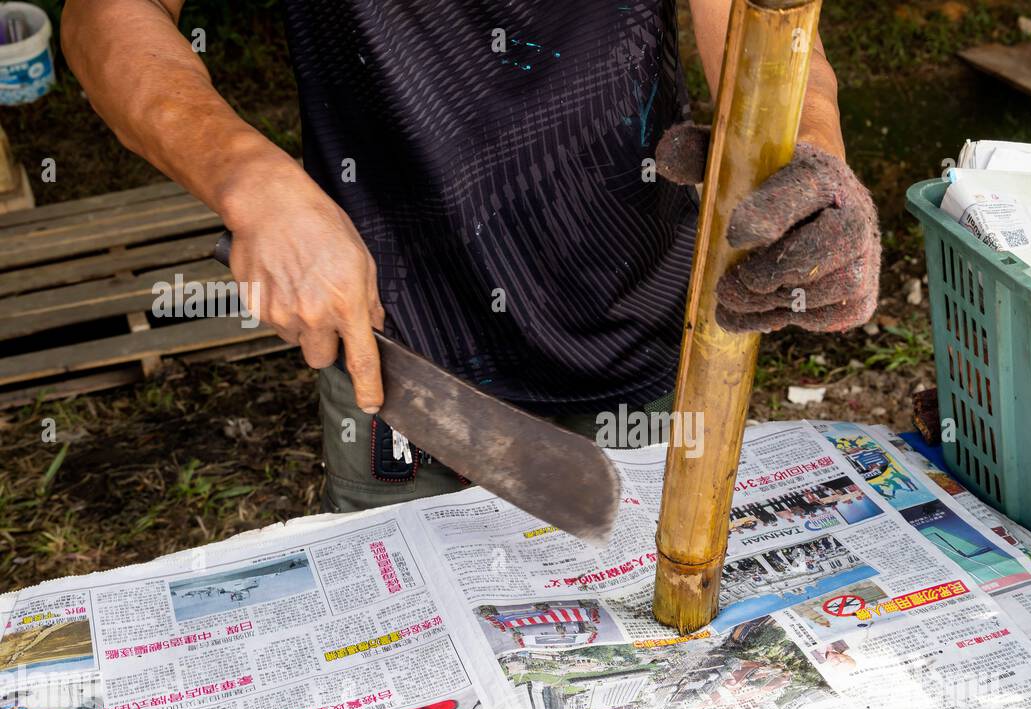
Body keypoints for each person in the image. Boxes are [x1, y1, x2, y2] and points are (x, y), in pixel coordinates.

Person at [64, 1, 881, 512]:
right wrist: (250, 179)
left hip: (646, 320)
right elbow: (105, 18)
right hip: (398, 351)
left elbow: (759, 23)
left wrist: (809, 149)